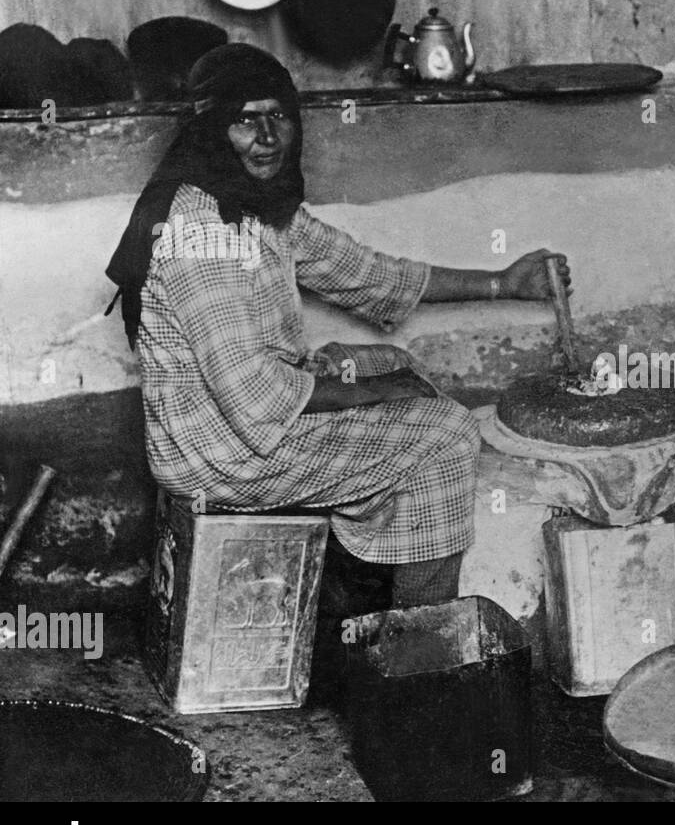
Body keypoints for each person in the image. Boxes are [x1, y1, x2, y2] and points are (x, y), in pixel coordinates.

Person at [106, 43, 569, 606]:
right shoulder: (204, 234)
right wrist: (377, 393)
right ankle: (423, 636)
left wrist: (503, 282)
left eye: (279, 116)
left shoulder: (254, 202)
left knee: (397, 365)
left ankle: (356, 581)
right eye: (245, 121)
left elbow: (370, 275)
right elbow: (256, 397)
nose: (268, 137)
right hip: (220, 453)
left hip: (236, 424)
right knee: (445, 433)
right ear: (210, 130)